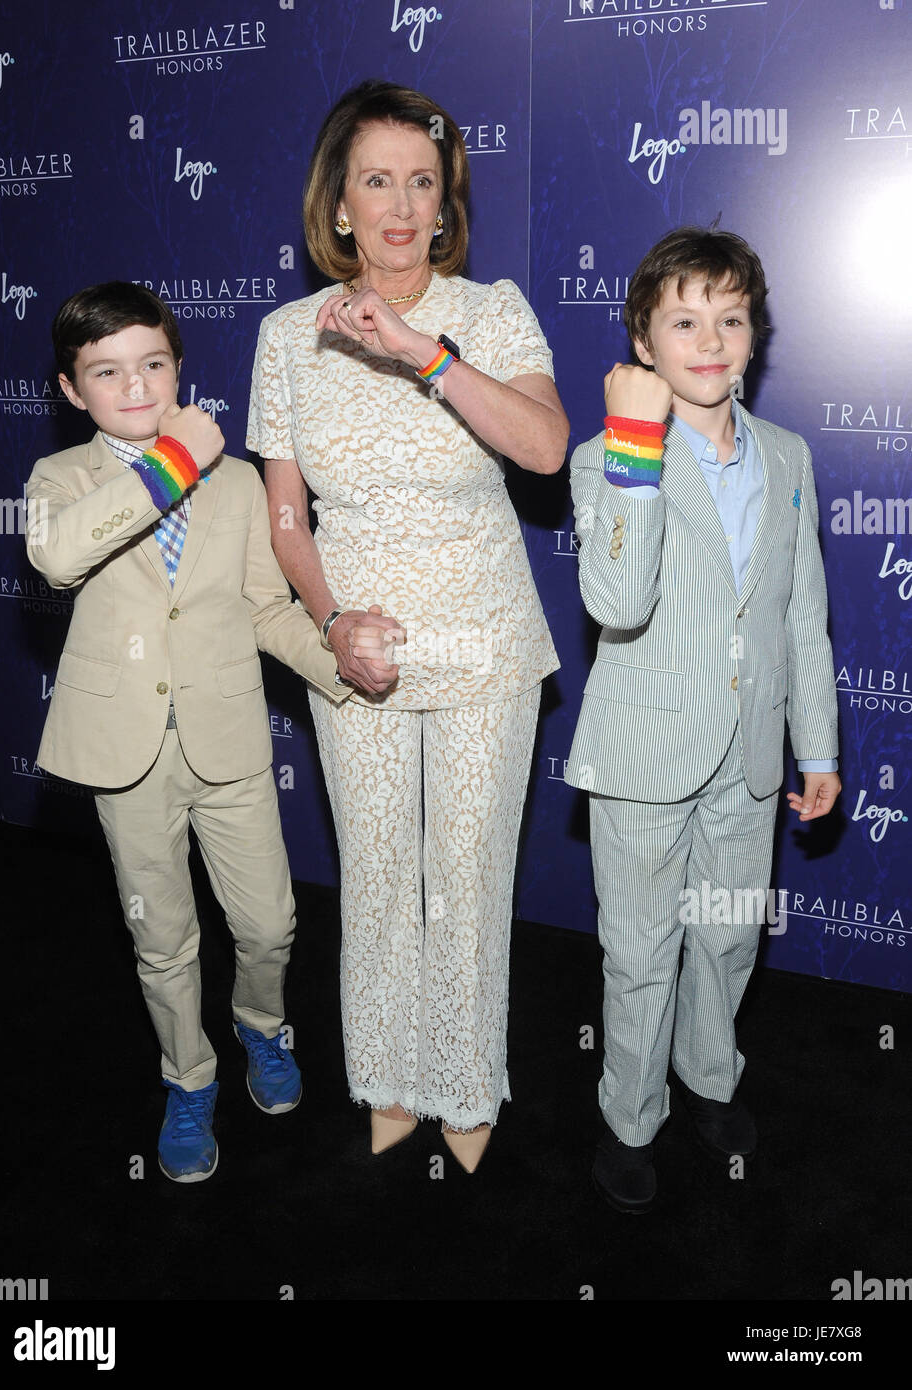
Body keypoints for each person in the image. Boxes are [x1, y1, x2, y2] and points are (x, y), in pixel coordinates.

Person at [247, 80, 569, 1172]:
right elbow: (286, 519)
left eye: (420, 182)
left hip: (482, 638)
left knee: (470, 870)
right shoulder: (287, 338)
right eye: (374, 181)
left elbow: (543, 449)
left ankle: (466, 1085)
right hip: (361, 646)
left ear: (445, 202)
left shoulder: (493, 311)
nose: (397, 204)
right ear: (337, 204)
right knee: (380, 869)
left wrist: (421, 350)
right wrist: (332, 621)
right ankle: (387, 1079)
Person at [26, 281, 358, 1183]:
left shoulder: (239, 480)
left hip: (228, 742)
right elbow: (58, 558)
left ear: (178, 366)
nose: (134, 386)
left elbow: (265, 608)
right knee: (162, 938)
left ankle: (262, 1028)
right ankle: (189, 1076)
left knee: (270, 924)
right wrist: (173, 460)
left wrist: (342, 659)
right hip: (124, 757)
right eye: (107, 372)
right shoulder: (62, 481)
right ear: (71, 391)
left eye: (153, 364)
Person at [564, 227, 840, 1212]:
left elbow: (803, 610)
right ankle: (631, 1113)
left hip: (750, 754)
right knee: (640, 951)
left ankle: (708, 1076)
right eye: (685, 320)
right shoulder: (605, 457)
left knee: (724, 937)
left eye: (730, 318)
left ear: (755, 335)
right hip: (645, 751)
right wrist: (638, 444)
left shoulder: (790, 455)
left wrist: (816, 742)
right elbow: (617, 598)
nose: (710, 339)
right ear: (644, 341)